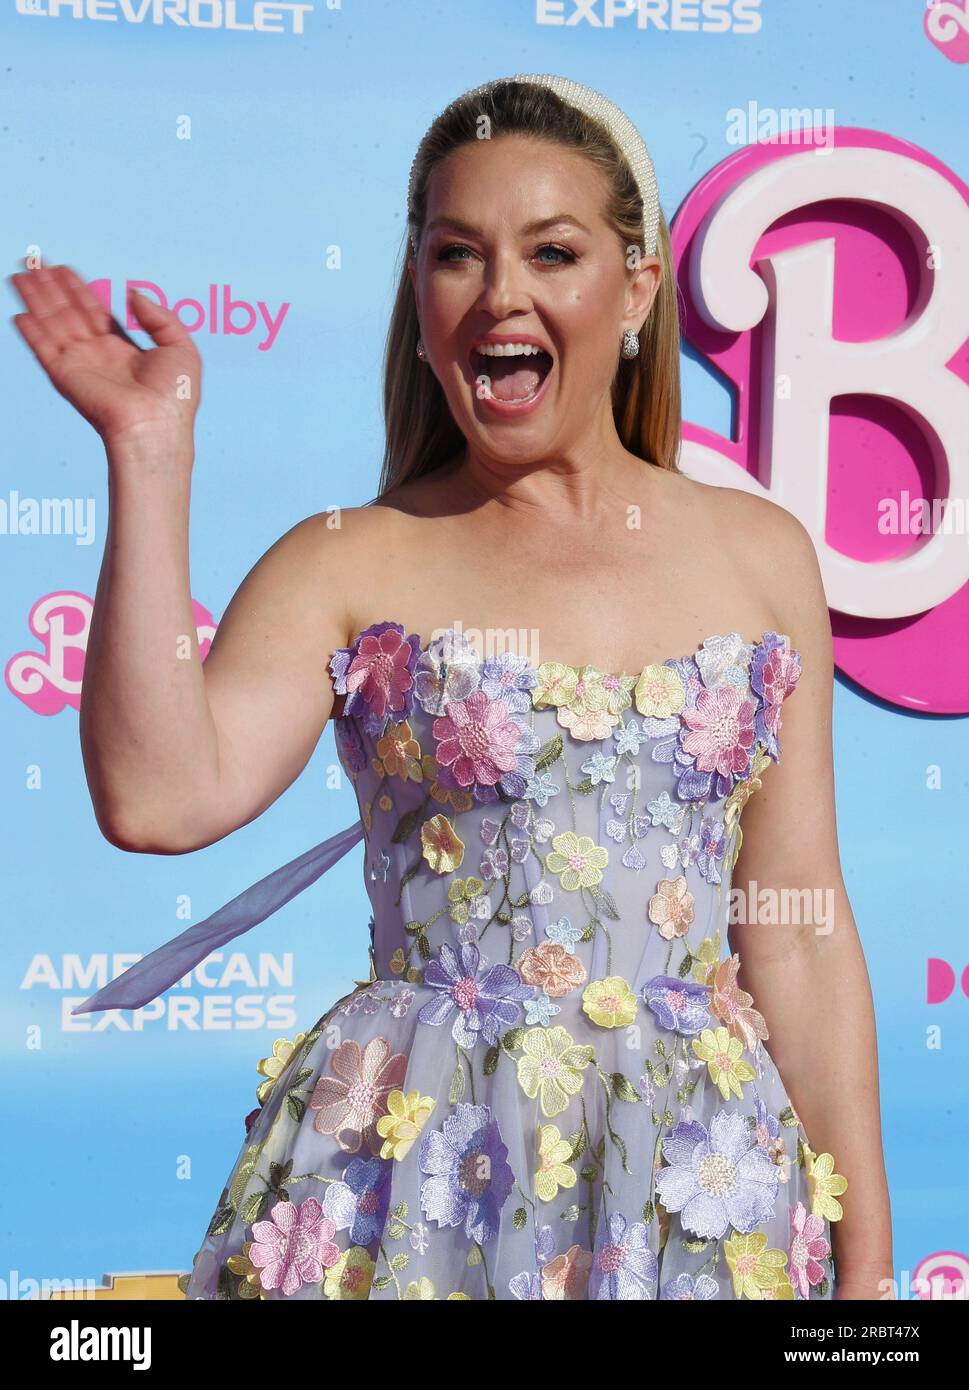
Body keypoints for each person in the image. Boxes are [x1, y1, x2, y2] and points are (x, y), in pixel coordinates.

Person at [9, 74, 891, 1302]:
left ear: (637, 290)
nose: (502, 294)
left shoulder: (761, 555)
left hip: (695, 1188)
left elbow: (799, 925)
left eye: (554, 251)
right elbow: (159, 798)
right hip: (412, 1180)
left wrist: (870, 1267)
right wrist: (148, 457)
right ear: (418, 300)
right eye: (456, 255)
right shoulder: (346, 558)